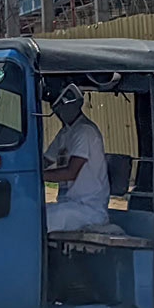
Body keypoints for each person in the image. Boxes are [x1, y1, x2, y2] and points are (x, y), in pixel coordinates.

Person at [43, 85, 110, 233]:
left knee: (42, 219)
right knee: (32, 211)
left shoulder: (85, 131)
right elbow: (45, 161)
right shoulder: (65, 133)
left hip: (88, 209)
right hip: (68, 204)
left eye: (59, 108)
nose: (57, 113)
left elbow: (71, 172)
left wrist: (37, 176)